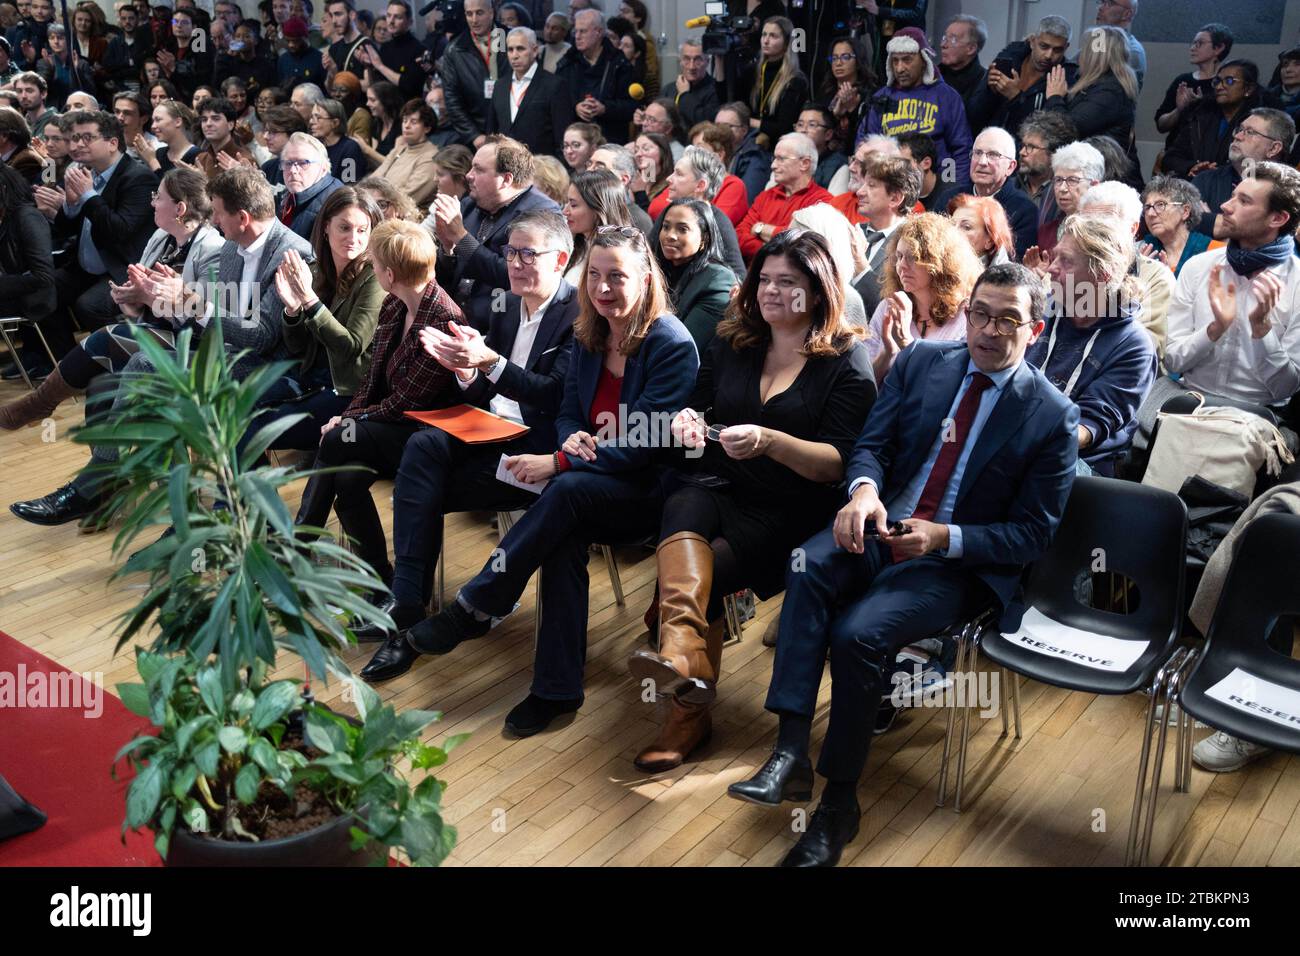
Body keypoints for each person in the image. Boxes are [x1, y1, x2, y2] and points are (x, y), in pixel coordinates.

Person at [730, 261, 1078, 867]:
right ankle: (790, 753)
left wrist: (946, 537)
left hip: (955, 564)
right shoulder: (921, 363)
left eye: (1007, 320)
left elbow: (1032, 535)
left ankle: (839, 806)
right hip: (882, 524)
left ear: (1037, 329)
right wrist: (864, 488)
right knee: (806, 566)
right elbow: (873, 445)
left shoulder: (1051, 415)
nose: (988, 331)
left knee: (858, 634)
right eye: (980, 314)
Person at [390, 225, 698, 738]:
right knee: (565, 529)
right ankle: (555, 690)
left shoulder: (670, 343)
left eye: (616, 277)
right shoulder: (589, 332)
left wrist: (561, 462)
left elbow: (645, 442)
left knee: (566, 493)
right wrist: (569, 441)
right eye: (595, 275)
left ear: (645, 279)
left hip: (646, 489)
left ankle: (477, 605)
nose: (602, 288)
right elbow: (567, 410)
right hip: (586, 481)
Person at [630, 230, 875, 772]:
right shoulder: (734, 340)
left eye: (788, 282)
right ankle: (682, 659)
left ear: (818, 291)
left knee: (706, 568)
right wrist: (687, 423)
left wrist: (771, 441)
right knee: (684, 505)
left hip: (791, 508)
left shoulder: (844, 361)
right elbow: (693, 408)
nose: (770, 291)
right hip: (722, 483)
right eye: (764, 279)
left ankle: (687, 701)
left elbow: (840, 462)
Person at [9, 166, 314, 525]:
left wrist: (192, 302)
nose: (213, 219)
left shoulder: (292, 253)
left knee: (143, 365)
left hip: (270, 369)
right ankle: (106, 488)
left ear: (243, 218)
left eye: (217, 211)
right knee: (116, 375)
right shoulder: (234, 246)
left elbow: (262, 336)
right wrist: (164, 298)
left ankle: (93, 488)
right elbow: (215, 321)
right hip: (222, 355)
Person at [354, 209, 580, 656]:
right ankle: (408, 599)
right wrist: (462, 371)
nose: (514, 262)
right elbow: (483, 389)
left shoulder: (576, 315)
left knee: (421, 483)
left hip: (535, 448)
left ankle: (409, 599)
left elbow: (552, 396)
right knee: (422, 444)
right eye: (510, 252)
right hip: (489, 428)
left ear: (560, 260)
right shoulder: (507, 305)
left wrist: (487, 362)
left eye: (527, 254)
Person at [293, 217, 463, 580]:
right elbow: (371, 379)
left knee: (340, 438)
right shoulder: (394, 305)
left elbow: (406, 404)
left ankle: (299, 544)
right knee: (348, 483)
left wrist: (352, 421)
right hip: (388, 426)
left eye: (374, 264)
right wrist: (349, 415)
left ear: (388, 274)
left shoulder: (444, 318)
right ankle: (378, 582)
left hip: (424, 435)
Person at [1, 166, 223, 429]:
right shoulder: (161, 236)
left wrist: (149, 298)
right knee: (100, 384)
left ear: (180, 209)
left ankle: (38, 404)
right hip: (156, 330)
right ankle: (106, 464)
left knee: (105, 337)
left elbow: (203, 320)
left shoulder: (212, 249)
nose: (152, 203)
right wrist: (131, 298)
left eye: (159, 197)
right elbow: (143, 302)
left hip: (194, 344)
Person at [247, 186, 385, 452]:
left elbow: (351, 346)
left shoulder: (373, 278)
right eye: (344, 228)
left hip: (346, 392)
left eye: (362, 230)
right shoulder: (315, 270)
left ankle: (242, 493)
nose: (353, 238)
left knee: (255, 431)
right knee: (234, 409)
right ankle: (243, 492)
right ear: (325, 228)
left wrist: (309, 300)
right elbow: (298, 347)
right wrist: (292, 310)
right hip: (309, 379)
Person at [1158, 162, 1300, 416]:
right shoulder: (1199, 267)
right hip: (1191, 403)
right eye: (1233, 194)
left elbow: (1286, 389)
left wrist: (1261, 329)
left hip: (1257, 414)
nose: (1225, 205)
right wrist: (1215, 329)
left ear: (1277, 218)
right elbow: (1172, 362)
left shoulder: (1297, 281)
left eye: (1244, 201)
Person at [23, 109, 155, 373]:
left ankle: (119, 367)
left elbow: (120, 230)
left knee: (90, 305)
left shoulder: (138, 177)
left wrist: (88, 197)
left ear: (112, 142)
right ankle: (66, 366)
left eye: (86, 137)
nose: (76, 145)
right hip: (85, 265)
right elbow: (66, 227)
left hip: (122, 267)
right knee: (40, 289)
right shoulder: (80, 170)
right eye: (73, 138)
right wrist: (70, 206)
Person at [1030, 213, 1157, 476]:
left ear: (1102, 274)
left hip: (1079, 466)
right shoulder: (1044, 312)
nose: (1051, 268)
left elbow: (1087, 429)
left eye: (1065, 261)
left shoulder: (1134, 345)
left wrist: (1021, 439)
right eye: (1055, 256)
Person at [427, 135, 561, 333]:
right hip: (449, 315)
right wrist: (447, 249)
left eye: (479, 169)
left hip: (498, 326)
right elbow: (448, 273)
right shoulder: (469, 204)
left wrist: (461, 238)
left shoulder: (541, 213)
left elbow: (514, 274)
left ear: (506, 179)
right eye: (472, 167)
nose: (468, 175)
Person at [867, 212, 980, 383]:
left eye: (913, 257)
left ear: (940, 262)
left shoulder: (966, 316)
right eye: (899, 257)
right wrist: (888, 353)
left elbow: (950, 386)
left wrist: (907, 344)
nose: (901, 266)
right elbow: (865, 384)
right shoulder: (888, 307)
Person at [860, 27, 971, 179]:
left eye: (907, 60)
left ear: (924, 61)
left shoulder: (946, 96)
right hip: (889, 184)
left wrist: (955, 189)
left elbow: (962, 149)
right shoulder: (881, 98)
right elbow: (864, 144)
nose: (900, 68)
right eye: (895, 61)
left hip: (936, 185)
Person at [930, 126, 1039, 258]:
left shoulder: (1025, 210)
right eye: (977, 153)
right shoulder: (949, 198)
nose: (982, 162)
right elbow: (931, 247)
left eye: (993, 155)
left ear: (1010, 167)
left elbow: (1015, 265)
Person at [1189, 108, 1295, 237]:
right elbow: (1185, 223)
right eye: (1239, 130)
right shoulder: (1205, 180)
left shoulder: (1290, 192)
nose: (1237, 136)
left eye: (1250, 132)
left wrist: (1212, 223)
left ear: (1273, 148)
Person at [967, 15, 1074, 141]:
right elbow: (973, 115)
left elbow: (1051, 134)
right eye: (1044, 46)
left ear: (1066, 48)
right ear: (1033, 41)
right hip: (989, 142)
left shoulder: (1065, 77)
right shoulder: (1010, 56)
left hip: (1027, 153)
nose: (1049, 55)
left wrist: (1016, 98)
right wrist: (990, 90)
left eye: (1057, 50)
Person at [1042, 25, 1137, 163]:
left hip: (1104, 174)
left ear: (1093, 56)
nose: (1080, 56)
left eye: (1084, 50)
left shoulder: (1110, 92)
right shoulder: (1097, 85)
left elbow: (1068, 131)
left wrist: (1054, 97)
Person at [736, 132, 832, 262]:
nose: (773, 165)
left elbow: (804, 244)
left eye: (781, 159)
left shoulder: (822, 202)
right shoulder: (766, 196)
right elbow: (740, 236)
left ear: (804, 163)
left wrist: (760, 228)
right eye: (774, 158)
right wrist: (776, 249)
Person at [653, 198, 735, 350]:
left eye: (682, 229)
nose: (670, 235)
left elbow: (684, 346)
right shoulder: (658, 270)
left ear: (704, 238)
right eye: (665, 227)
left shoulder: (717, 279)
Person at [1162, 60, 1265, 180]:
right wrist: (1192, 167)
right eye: (1217, 81)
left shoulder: (1257, 124)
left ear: (1248, 89)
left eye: (1229, 81)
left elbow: (1255, 166)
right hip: (1194, 186)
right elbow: (1170, 158)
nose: (1219, 87)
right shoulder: (1199, 117)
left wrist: (1216, 175)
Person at [654, 145, 746, 278]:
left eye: (679, 174)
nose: (669, 179)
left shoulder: (718, 221)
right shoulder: (669, 212)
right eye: (666, 227)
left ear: (700, 185)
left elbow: (738, 278)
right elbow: (649, 257)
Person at [486, 26, 574, 157]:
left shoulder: (554, 85)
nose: (514, 55)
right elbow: (492, 132)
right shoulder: (500, 86)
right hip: (505, 167)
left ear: (534, 50)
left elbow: (562, 136)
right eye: (510, 50)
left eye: (520, 49)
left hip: (541, 168)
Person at [852, 151, 920, 317]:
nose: (859, 192)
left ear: (895, 198)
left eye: (871, 185)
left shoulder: (914, 243)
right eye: (863, 184)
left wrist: (860, 267)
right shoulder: (853, 232)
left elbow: (895, 310)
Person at [558, 8, 634, 145]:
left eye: (583, 31)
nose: (577, 36)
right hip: (575, 140)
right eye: (576, 31)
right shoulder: (567, 62)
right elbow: (556, 100)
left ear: (598, 32)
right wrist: (575, 107)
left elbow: (631, 106)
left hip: (609, 138)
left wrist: (605, 108)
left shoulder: (619, 63)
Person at [437, 0, 506, 149]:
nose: (474, 20)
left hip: (511, 129)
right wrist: (473, 135)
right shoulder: (454, 50)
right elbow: (452, 99)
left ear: (491, 13)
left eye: (479, 13)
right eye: (469, 14)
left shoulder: (510, 39)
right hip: (477, 133)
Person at [1154, 24, 1233, 147]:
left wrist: (1202, 105)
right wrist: (1179, 110)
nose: (1192, 48)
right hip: (1176, 153)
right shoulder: (1183, 81)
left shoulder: (1227, 83)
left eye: (1199, 43)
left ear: (1218, 48)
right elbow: (1161, 125)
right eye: (1193, 43)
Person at [745, 16, 809, 153]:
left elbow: (784, 127)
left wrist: (751, 122)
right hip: (750, 142)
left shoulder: (796, 80)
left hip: (781, 148)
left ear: (786, 43)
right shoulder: (754, 70)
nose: (766, 41)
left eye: (773, 36)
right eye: (764, 35)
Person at [1139, 175, 1222, 277]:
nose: (1151, 213)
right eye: (1147, 207)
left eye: (1160, 205)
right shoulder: (1138, 251)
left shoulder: (1215, 252)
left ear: (1185, 211)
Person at [1032, 140, 1103, 255]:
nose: (1062, 188)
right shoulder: (1046, 231)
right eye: (1058, 180)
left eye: (1072, 180)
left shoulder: (1102, 233)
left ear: (1093, 186)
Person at [562, 166, 629, 285]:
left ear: (598, 209)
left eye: (573, 205)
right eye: (567, 203)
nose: (565, 211)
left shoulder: (618, 254)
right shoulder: (579, 247)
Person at [372, 98, 439, 208]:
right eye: (404, 120)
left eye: (413, 122)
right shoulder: (400, 149)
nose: (406, 126)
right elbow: (375, 177)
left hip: (403, 216)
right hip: (378, 204)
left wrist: (373, 202)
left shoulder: (431, 157)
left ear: (427, 128)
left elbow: (407, 198)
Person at [277, 131, 344, 238]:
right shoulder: (293, 194)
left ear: (324, 167)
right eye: (288, 163)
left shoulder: (333, 203)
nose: (293, 170)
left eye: (303, 163)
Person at [355, 1, 424, 99]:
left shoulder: (418, 49)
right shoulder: (386, 47)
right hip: (386, 108)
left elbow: (410, 85)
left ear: (409, 22)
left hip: (408, 109)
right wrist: (369, 66)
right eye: (388, 15)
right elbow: (376, 85)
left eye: (397, 17)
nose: (391, 21)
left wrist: (380, 66)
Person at [686, 121, 749, 226]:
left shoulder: (734, 186)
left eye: (699, 149)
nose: (692, 154)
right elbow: (657, 207)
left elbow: (713, 225)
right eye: (692, 148)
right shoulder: (691, 178)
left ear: (719, 155)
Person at [821, 36, 875, 156]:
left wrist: (853, 110)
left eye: (846, 57)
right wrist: (835, 115)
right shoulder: (826, 93)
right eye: (834, 58)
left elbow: (869, 135)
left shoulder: (870, 94)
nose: (838, 63)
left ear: (858, 62)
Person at [587, 142, 654, 235]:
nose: (589, 170)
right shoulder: (584, 209)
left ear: (623, 179)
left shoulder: (637, 220)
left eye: (599, 167)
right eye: (589, 164)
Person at [1016, 110, 1077, 208]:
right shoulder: (1008, 186)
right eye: (1023, 145)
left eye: (1031, 147)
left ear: (1054, 154)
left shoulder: (1065, 195)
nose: (1022, 152)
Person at [716, 101, 772, 206]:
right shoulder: (715, 152)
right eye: (717, 125)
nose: (720, 131)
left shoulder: (755, 156)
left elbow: (746, 200)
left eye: (727, 126)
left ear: (744, 130)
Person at [947, 192, 1014, 268]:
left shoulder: (1007, 278)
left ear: (990, 241)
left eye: (966, 227)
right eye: (952, 224)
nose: (954, 231)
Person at [664, 37, 717, 131]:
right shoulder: (669, 89)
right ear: (680, 61)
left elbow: (705, 123)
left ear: (707, 62)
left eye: (698, 60)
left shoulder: (716, 89)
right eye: (686, 59)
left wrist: (685, 95)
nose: (691, 66)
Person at [195, 97, 257, 177]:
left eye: (216, 119)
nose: (208, 124)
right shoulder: (201, 159)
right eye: (204, 120)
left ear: (230, 125)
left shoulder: (244, 159)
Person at [938, 14, 986, 116]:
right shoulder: (931, 76)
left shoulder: (986, 84)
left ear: (971, 48)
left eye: (953, 40)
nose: (943, 45)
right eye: (944, 38)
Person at [797, 102, 849, 195]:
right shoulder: (787, 159)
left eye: (812, 125)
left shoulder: (839, 166)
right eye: (800, 124)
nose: (803, 130)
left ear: (828, 134)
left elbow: (834, 207)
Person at [308, 97, 365, 182]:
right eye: (312, 117)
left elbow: (349, 185)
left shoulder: (350, 148)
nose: (311, 122)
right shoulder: (313, 146)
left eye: (318, 118)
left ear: (335, 123)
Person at [1094, 0, 1144, 88]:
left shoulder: (1131, 52)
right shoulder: (1099, 39)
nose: (1100, 8)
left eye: (1109, 3)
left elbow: (1106, 93)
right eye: (1102, 2)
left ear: (1127, 14)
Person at [353, 79, 402, 167]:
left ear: (386, 101)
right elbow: (376, 162)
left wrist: (367, 149)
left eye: (372, 100)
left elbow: (395, 164)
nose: (367, 104)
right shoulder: (376, 124)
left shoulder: (402, 127)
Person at [258, 103, 306, 191]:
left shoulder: (306, 169)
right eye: (266, 131)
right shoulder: (268, 167)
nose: (265, 136)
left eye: (273, 132)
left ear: (293, 135)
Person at [276, 15, 323, 89]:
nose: (291, 45)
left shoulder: (319, 59)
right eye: (288, 41)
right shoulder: (283, 60)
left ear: (305, 38)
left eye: (295, 41)